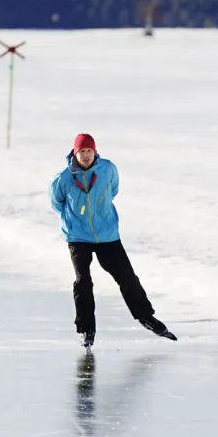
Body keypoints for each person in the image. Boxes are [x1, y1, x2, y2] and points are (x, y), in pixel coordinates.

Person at [49, 133, 176, 348]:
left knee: (127, 276)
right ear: (75, 153)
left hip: (107, 234)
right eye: (82, 152)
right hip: (78, 236)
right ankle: (86, 329)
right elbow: (56, 202)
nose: (86, 155)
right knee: (83, 281)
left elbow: (113, 190)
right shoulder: (63, 178)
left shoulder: (108, 169)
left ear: (95, 151)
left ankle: (146, 316)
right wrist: (74, 221)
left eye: (89, 151)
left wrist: (101, 214)